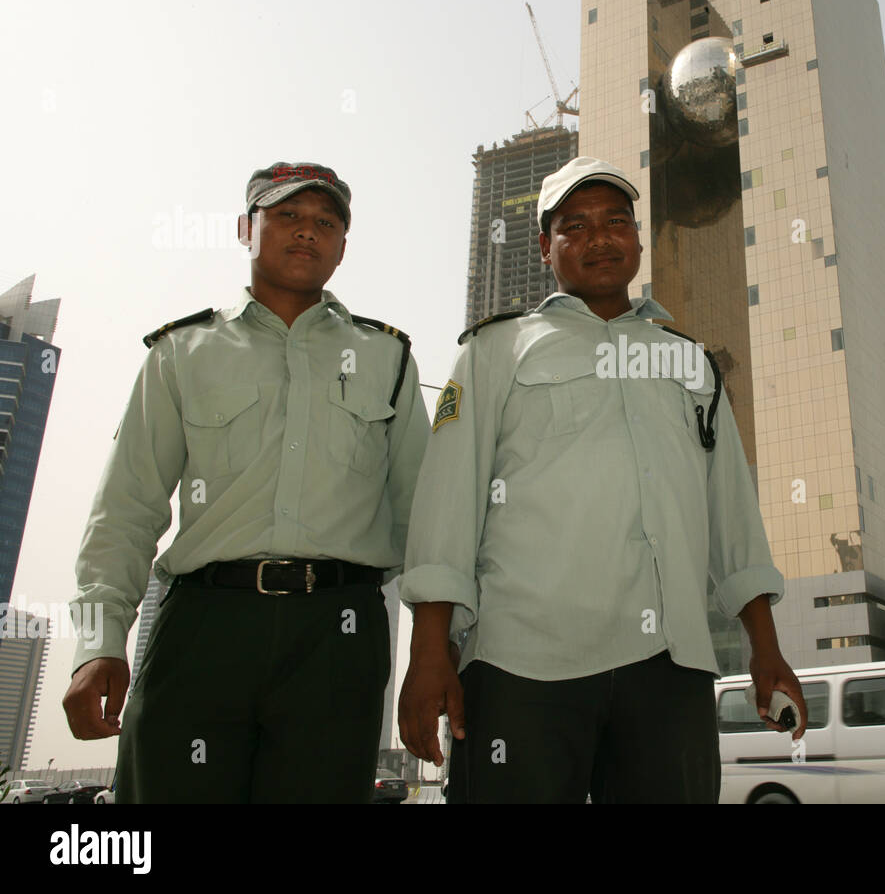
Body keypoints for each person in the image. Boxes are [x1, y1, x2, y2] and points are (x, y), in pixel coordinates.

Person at [398, 156, 806, 803]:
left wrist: (766, 648)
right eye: (576, 226)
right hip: (523, 665)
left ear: (639, 239)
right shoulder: (494, 352)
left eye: (616, 222)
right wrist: (429, 653)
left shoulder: (690, 363)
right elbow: (446, 507)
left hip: (670, 671)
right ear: (544, 247)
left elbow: (732, 517)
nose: (600, 238)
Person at [62, 161, 431, 803]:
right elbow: (126, 508)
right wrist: (99, 641)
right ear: (245, 228)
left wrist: (433, 650)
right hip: (205, 627)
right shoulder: (182, 352)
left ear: (344, 244)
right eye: (286, 215)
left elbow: (424, 521)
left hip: (338, 633)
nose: (307, 232)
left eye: (326, 221)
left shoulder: (387, 358)